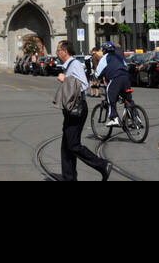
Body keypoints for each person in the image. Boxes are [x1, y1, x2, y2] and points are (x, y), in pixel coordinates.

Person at [52, 40, 110, 181]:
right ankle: (69, 177)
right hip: (71, 110)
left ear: (65, 52)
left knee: (73, 145)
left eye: (58, 50)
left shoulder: (75, 65)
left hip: (77, 110)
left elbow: (84, 85)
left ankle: (102, 165)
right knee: (66, 146)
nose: (57, 53)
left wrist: (65, 79)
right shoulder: (69, 65)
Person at [95, 42, 131, 125]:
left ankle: (114, 117)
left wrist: (96, 80)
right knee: (128, 99)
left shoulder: (105, 58)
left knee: (109, 95)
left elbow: (98, 73)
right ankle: (134, 117)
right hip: (126, 77)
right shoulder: (119, 57)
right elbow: (126, 66)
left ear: (104, 50)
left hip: (116, 78)